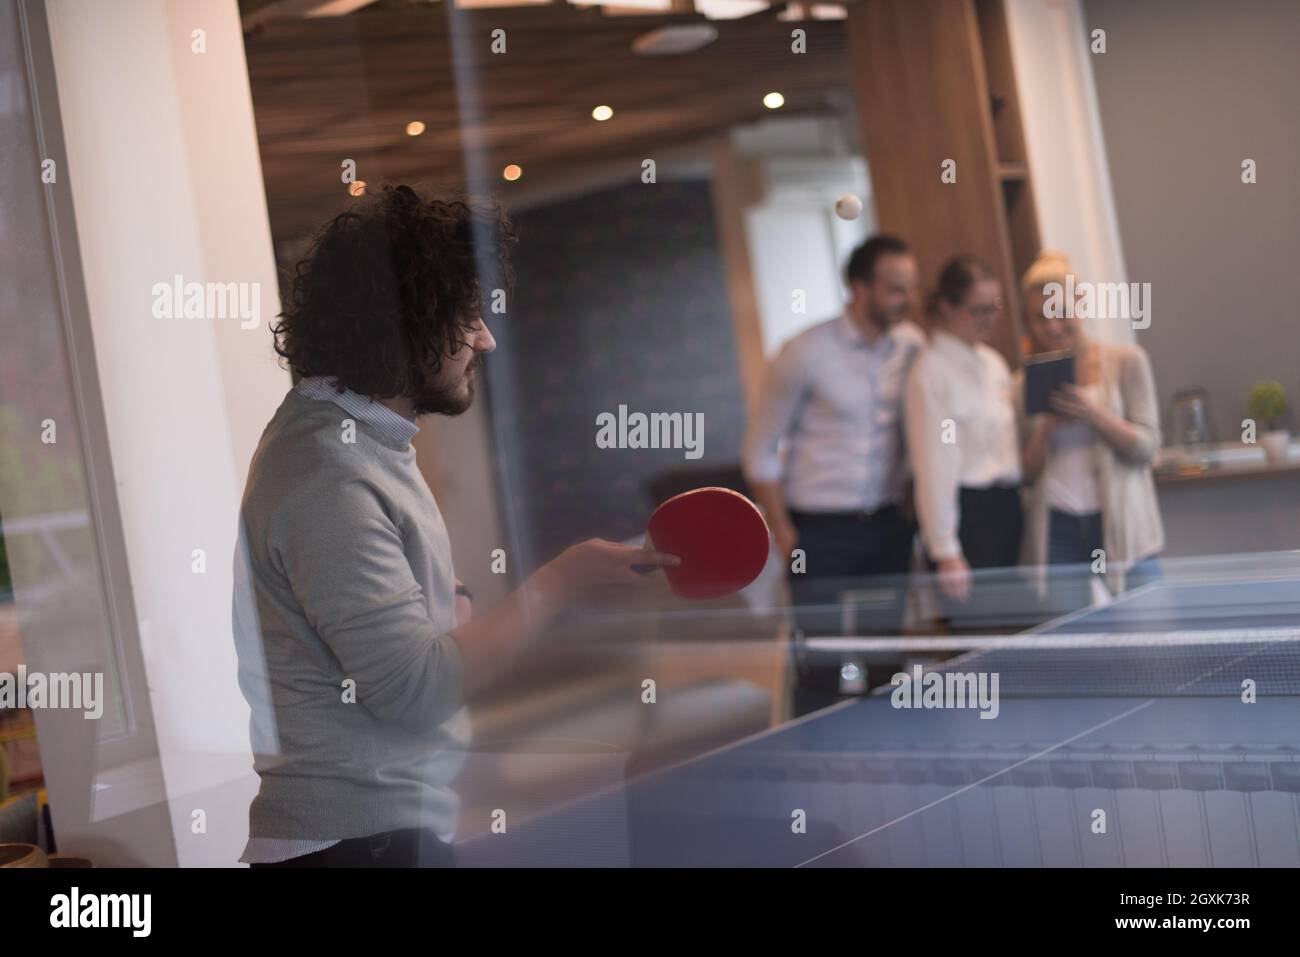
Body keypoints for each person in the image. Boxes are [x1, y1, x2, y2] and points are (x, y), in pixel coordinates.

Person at [231, 184, 678, 868]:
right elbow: (418, 692)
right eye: (467, 315)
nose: (486, 337)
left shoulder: (352, 441)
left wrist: (450, 600)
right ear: (404, 322)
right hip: (356, 846)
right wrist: (560, 584)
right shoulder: (329, 471)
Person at [742, 235, 923, 709]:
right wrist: (783, 531)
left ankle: (894, 764)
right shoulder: (804, 352)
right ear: (858, 287)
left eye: (910, 288)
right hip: (818, 531)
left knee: (886, 658)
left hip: (888, 524)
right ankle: (817, 767)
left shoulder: (911, 347)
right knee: (819, 662)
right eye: (896, 289)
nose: (907, 300)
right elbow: (760, 449)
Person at [1015, 251, 1163, 606]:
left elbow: (1148, 447)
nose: (1052, 326)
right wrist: (1046, 426)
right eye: (1039, 317)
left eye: (1060, 311)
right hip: (1057, 526)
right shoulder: (1024, 383)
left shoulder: (1126, 362)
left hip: (1123, 523)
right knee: (1070, 646)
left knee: (1151, 637)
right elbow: (1025, 472)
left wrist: (1094, 414)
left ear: (1079, 303)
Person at [905, 256, 1022, 603]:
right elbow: (935, 466)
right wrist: (946, 550)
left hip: (1007, 505)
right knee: (976, 634)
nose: (988, 318)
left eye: (994, 307)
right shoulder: (931, 371)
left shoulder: (993, 362)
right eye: (978, 310)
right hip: (967, 515)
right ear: (946, 306)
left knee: (1013, 629)